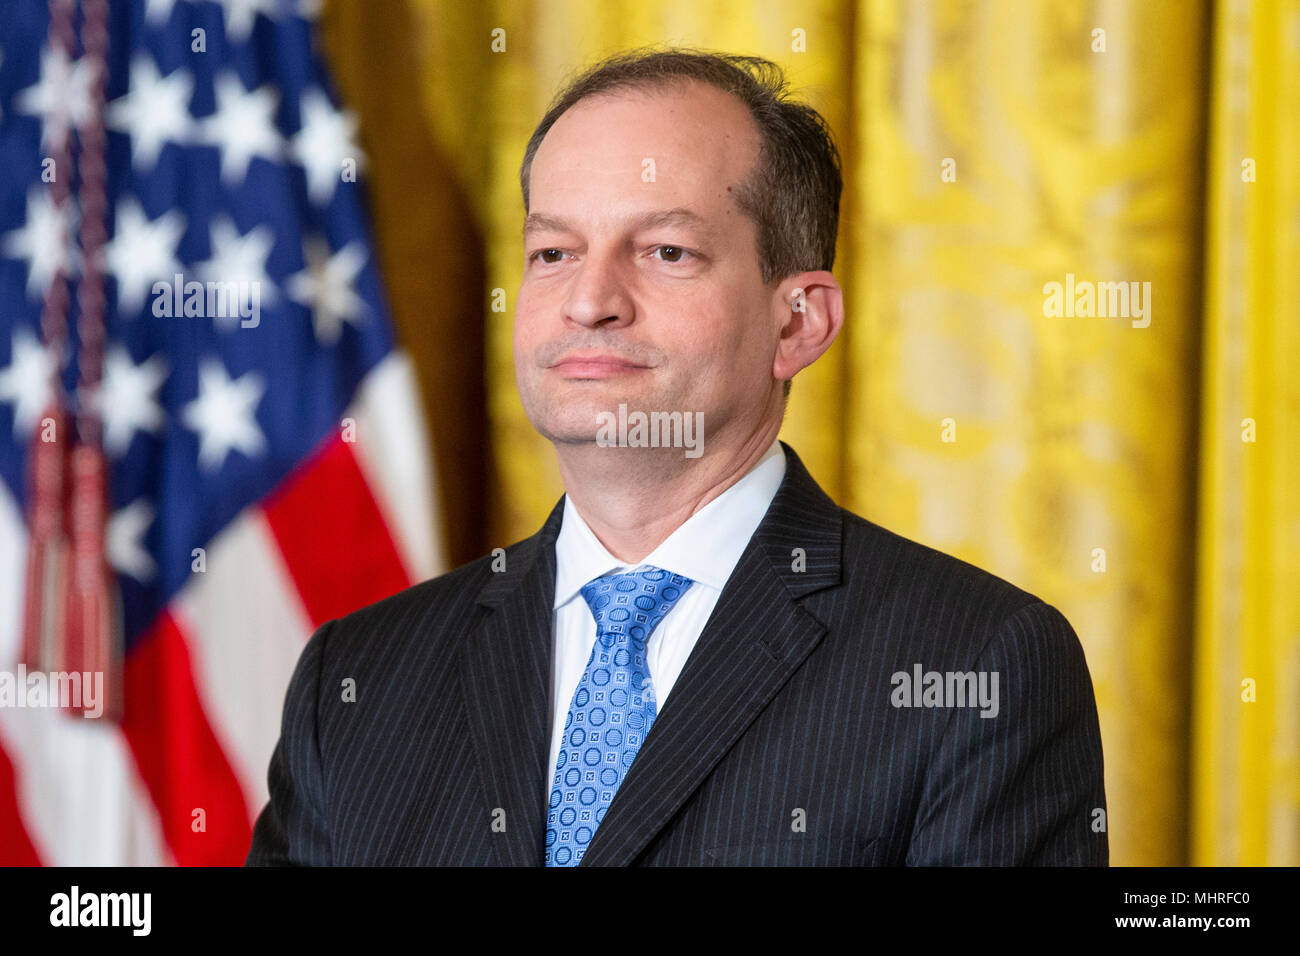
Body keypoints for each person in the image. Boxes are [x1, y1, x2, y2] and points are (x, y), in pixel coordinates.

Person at [246, 48, 1108, 867]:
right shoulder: (355, 679)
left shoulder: (977, 664)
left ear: (797, 322)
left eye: (666, 252)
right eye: (554, 252)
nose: (588, 300)